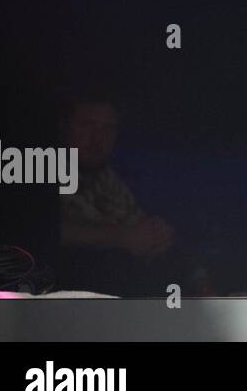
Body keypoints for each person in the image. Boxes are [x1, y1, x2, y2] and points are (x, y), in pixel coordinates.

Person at [57, 100, 190, 296]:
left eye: (107, 129)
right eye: (87, 125)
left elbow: (139, 225)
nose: (97, 138)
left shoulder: (112, 177)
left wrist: (158, 235)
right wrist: (119, 237)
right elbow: (36, 232)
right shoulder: (37, 168)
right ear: (65, 127)